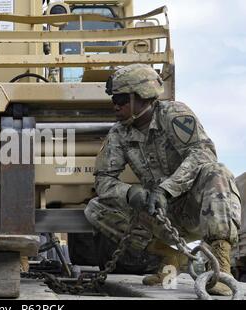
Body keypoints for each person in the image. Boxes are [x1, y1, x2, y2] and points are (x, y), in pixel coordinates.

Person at [84, 64, 241, 296]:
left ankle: (220, 267)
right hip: (158, 213)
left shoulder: (174, 115)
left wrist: (166, 190)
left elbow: (202, 153)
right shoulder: (119, 133)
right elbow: (104, 180)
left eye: (120, 99)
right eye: (113, 99)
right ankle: (168, 254)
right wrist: (130, 193)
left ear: (141, 97)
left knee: (217, 172)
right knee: (96, 209)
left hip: (193, 207)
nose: (115, 105)